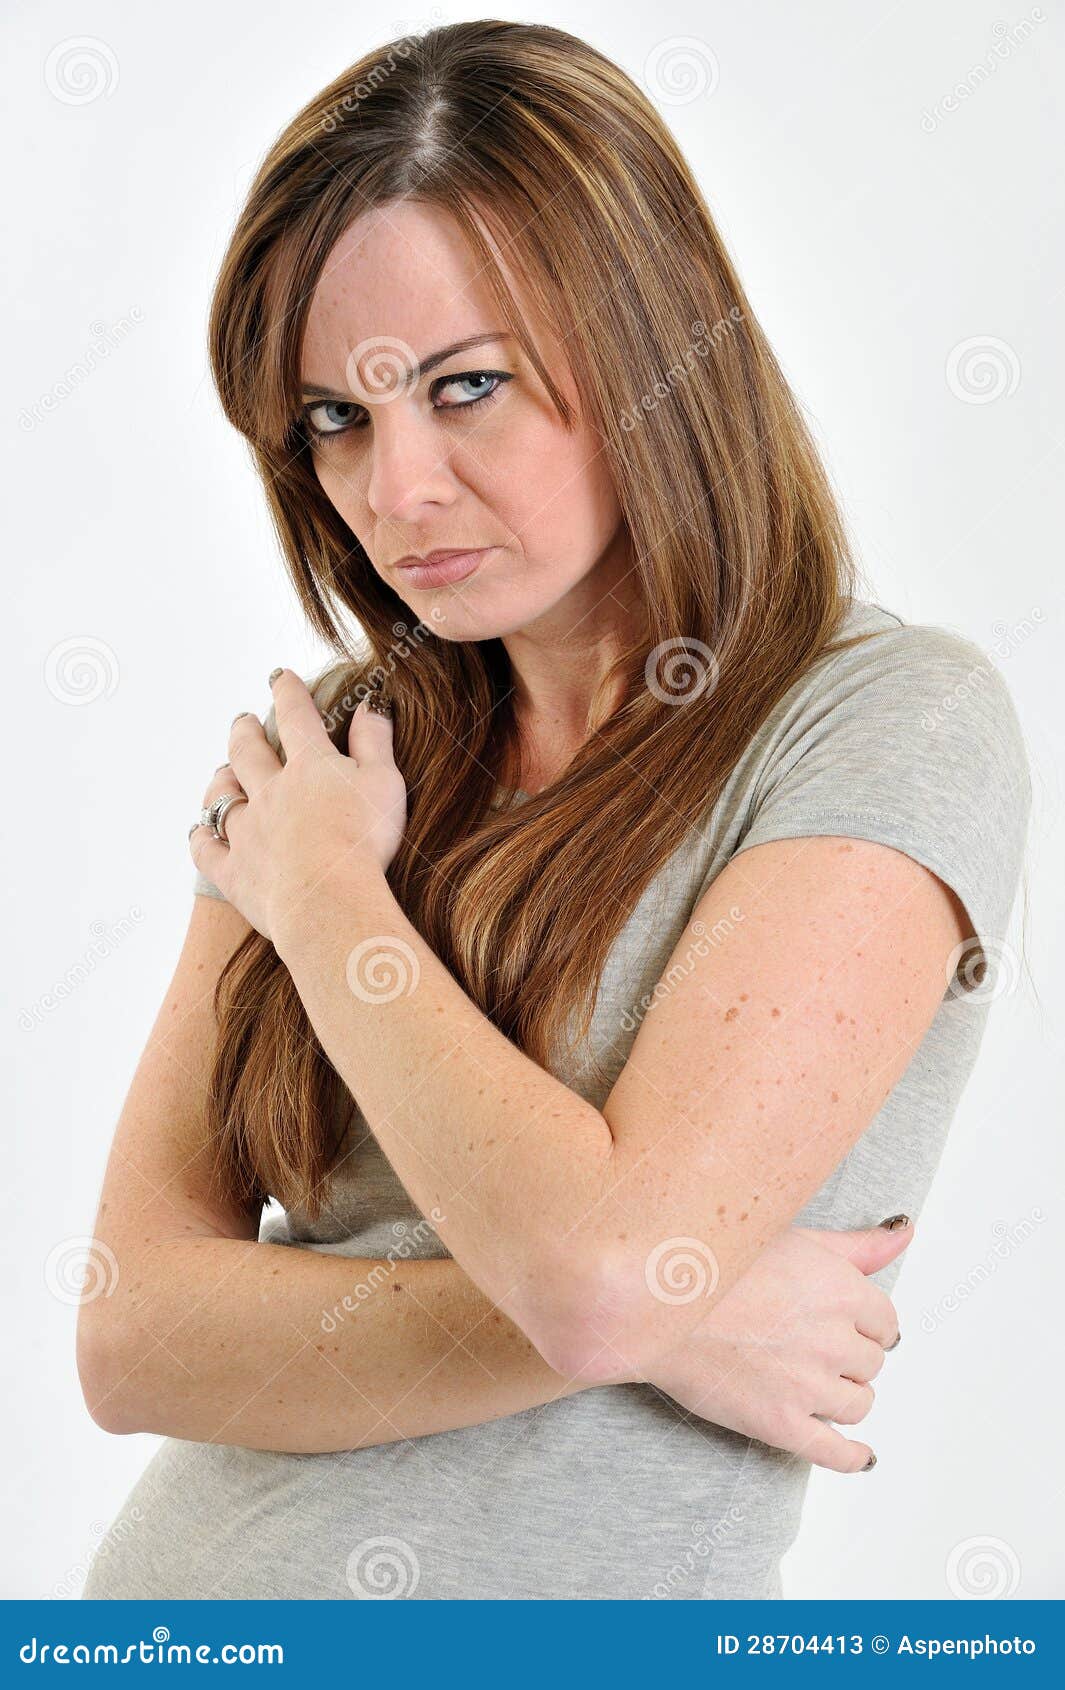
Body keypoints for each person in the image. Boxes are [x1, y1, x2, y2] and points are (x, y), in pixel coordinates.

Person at [77, 21, 1031, 1601]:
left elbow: (593, 1277)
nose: (396, 490)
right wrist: (690, 1316)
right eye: (335, 419)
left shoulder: (884, 720)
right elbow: (128, 1336)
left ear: (656, 345)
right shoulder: (334, 750)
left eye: (466, 388)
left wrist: (327, 908)